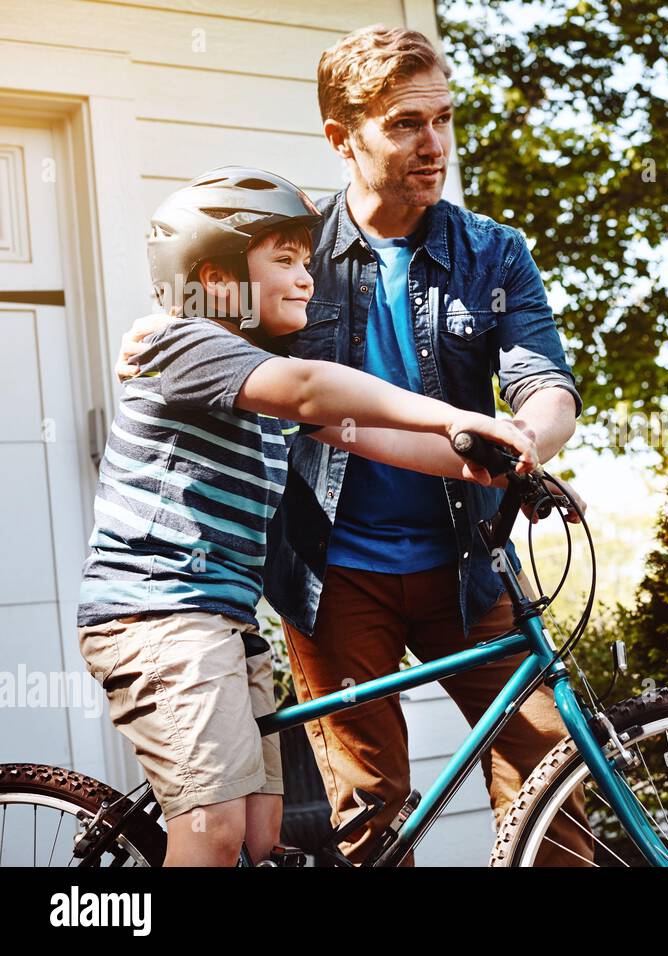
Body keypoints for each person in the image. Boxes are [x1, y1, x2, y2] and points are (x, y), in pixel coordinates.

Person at [115, 27, 595, 865]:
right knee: (372, 808)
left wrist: (525, 443)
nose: (434, 144)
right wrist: (157, 324)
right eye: (406, 124)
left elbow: (543, 383)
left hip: (465, 558)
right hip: (332, 571)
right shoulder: (293, 251)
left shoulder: (492, 252)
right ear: (342, 137)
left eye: (444, 120)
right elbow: (220, 321)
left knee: (552, 773)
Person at [80, 167, 538, 866]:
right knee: (212, 834)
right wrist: (455, 415)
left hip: (224, 621)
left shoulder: (258, 371)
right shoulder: (185, 345)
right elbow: (314, 389)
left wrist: (500, 465)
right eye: (286, 262)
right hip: (158, 615)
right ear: (216, 274)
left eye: (308, 262)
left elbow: (368, 434)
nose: (307, 279)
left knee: (262, 840)